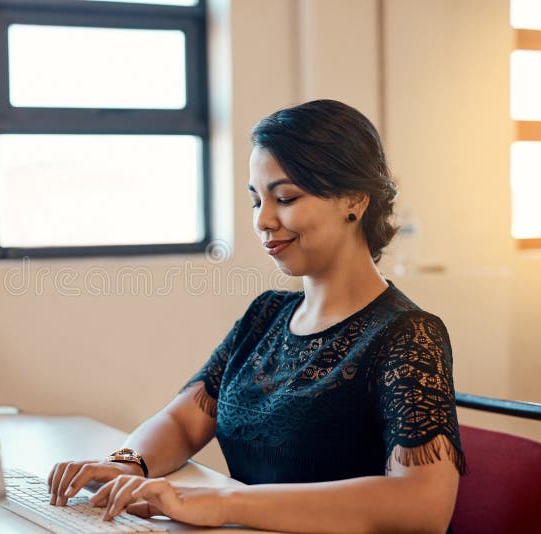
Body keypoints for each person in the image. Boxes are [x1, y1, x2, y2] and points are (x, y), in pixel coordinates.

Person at [47, 99, 465, 533]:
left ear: (353, 201)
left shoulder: (408, 335)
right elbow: (183, 419)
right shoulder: (266, 315)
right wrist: (128, 464)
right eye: (256, 200)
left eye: (284, 197)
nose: (263, 220)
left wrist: (225, 502)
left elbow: (423, 504)